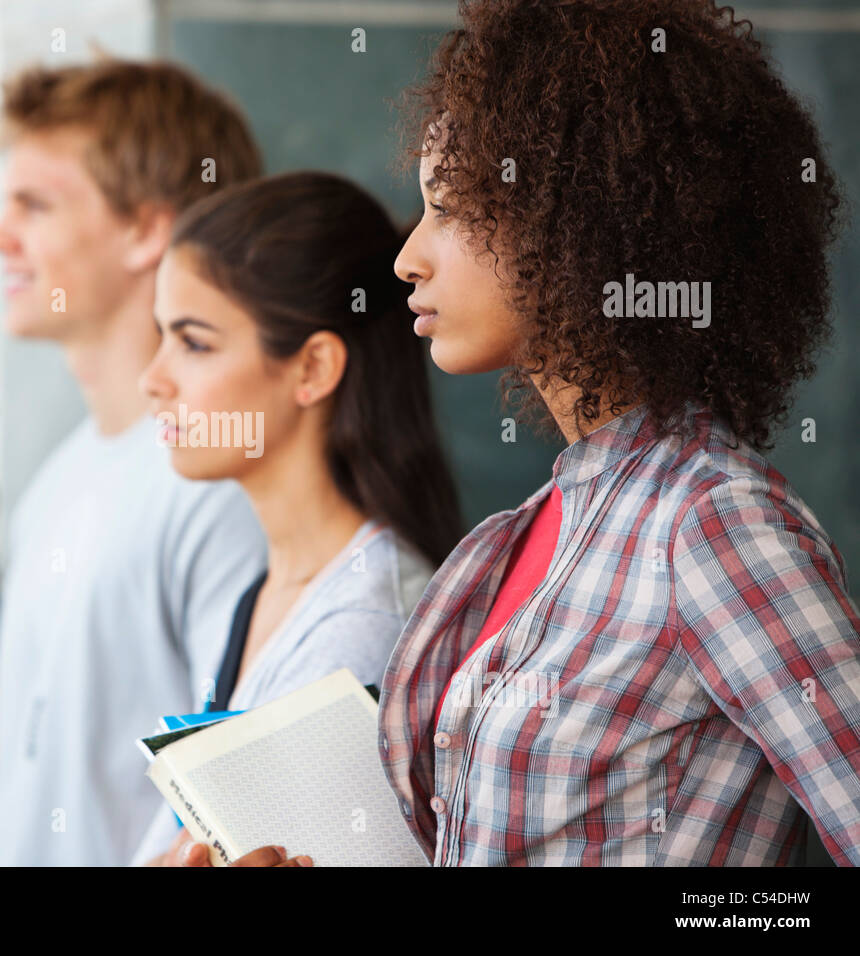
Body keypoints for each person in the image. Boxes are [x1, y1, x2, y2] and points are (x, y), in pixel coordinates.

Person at [181, 0, 860, 867]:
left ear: (581, 217)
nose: (407, 257)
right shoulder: (519, 536)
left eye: (451, 208)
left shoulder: (715, 524)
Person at [0, 58, 269, 866]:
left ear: (146, 230)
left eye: (34, 204)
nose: (0, 236)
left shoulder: (216, 486)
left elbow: (246, 802)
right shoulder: (58, 480)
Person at [131, 171, 465, 866]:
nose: (152, 379)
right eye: (161, 336)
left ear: (311, 367)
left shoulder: (366, 625)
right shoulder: (265, 592)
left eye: (193, 342)